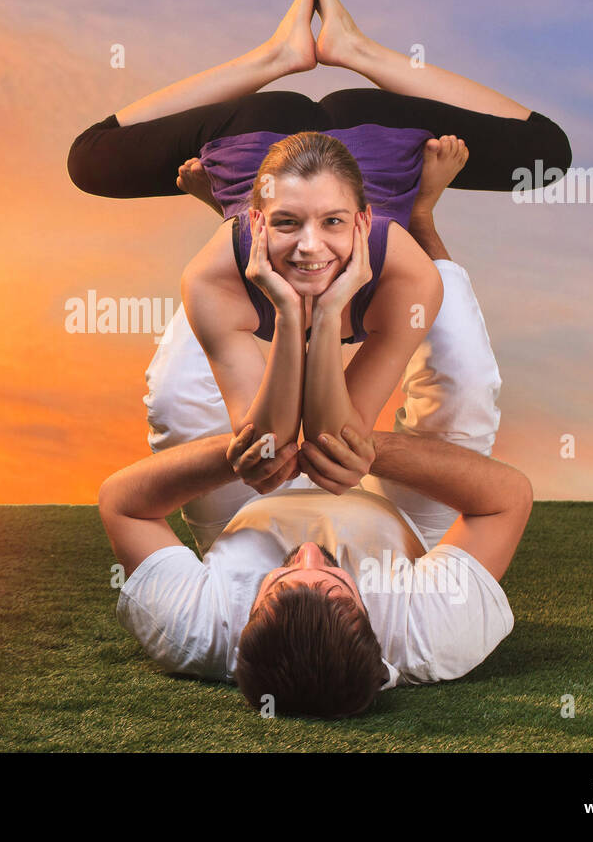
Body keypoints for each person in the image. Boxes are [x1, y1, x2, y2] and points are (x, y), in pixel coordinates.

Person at [69, 0, 568, 543]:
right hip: (382, 135)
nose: (310, 251)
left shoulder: (397, 268)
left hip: (251, 139)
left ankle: (281, 57)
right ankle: (330, 52)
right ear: (258, 225)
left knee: (90, 161)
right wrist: (307, 296)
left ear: (361, 222)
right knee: (547, 155)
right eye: (286, 229)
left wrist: (319, 297)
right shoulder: (221, 272)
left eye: (331, 228)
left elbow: (311, 445)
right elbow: (306, 444)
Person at [98, 187, 531, 718]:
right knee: (465, 381)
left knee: (174, 396)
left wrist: (238, 455)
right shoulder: (434, 633)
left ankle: (246, 238)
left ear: (242, 630)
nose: (307, 553)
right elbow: (506, 497)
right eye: (331, 579)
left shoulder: (195, 632)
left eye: (282, 579)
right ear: (376, 633)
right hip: (399, 519)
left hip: (248, 507)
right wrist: (365, 451)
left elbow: (121, 502)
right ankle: (422, 220)